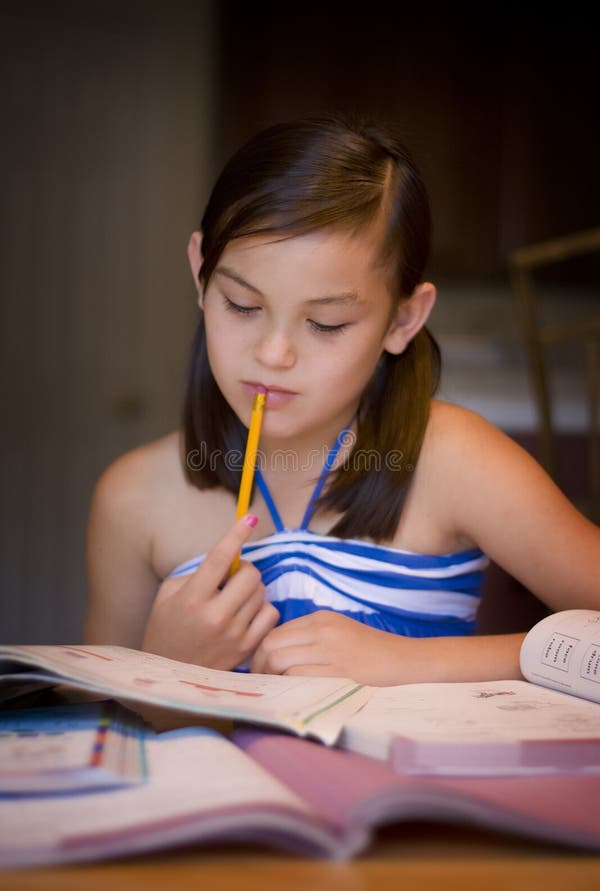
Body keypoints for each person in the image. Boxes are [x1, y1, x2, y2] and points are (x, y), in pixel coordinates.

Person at [83, 114, 600, 685]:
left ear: (403, 320)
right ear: (201, 274)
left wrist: (408, 662)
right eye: (242, 306)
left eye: (326, 323)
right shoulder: (131, 500)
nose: (274, 353)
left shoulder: (457, 461)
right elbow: (90, 736)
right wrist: (159, 672)